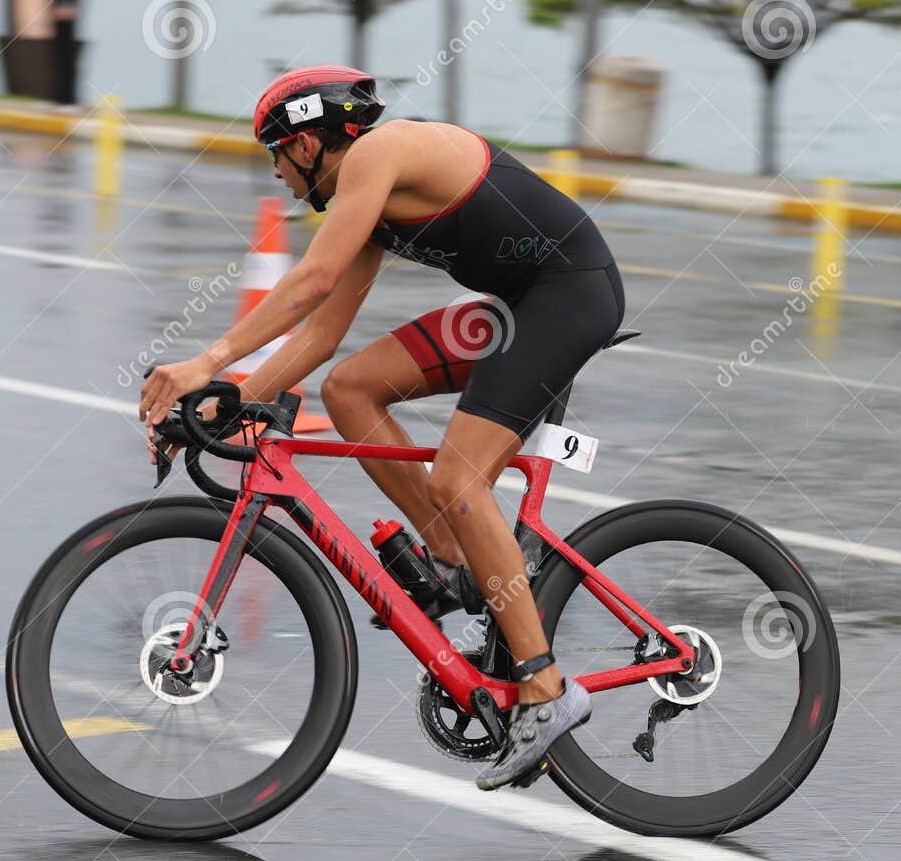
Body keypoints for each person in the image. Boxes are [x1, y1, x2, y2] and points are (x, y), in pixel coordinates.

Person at [139, 66, 624, 790]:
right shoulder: (365, 195)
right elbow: (319, 339)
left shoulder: (377, 153)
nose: (274, 171)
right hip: (519, 302)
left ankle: (544, 690)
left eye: (275, 152)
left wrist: (206, 359)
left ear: (306, 143)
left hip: (568, 294)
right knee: (350, 388)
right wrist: (221, 403)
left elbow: (311, 281)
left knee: (460, 477)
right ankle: (456, 558)